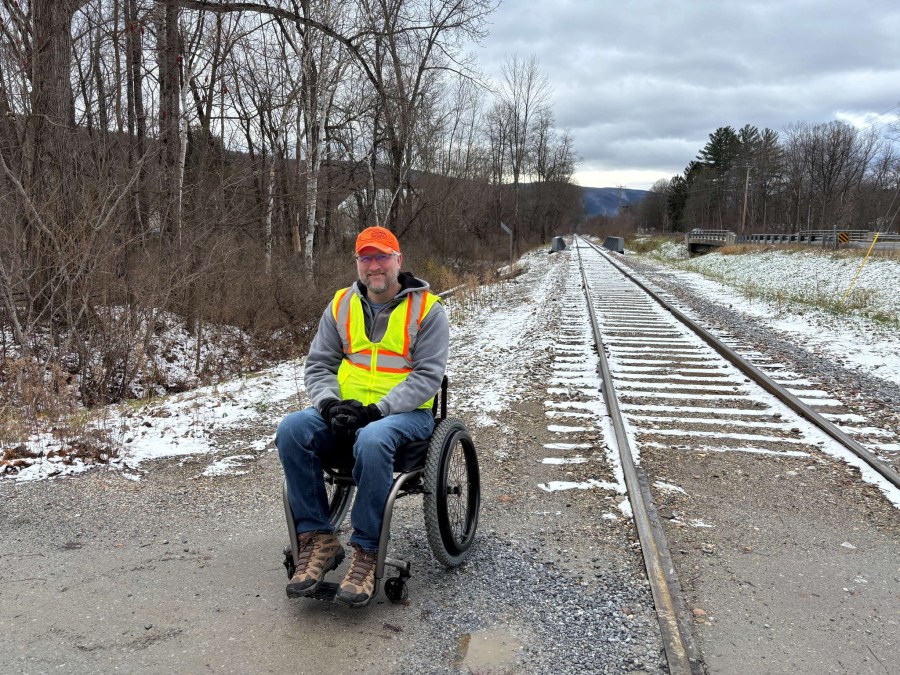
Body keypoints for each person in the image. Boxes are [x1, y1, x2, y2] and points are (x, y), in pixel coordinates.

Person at [275, 226, 449, 608]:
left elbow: (427, 377)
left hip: (406, 416)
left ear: (398, 261)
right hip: (345, 414)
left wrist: (376, 411)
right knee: (291, 430)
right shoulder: (340, 305)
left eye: (382, 257)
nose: (374, 266)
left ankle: (367, 551)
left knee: (373, 439)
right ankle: (319, 538)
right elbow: (319, 364)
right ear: (357, 264)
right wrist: (328, 405)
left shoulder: (427, 310)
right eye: (366, 258)